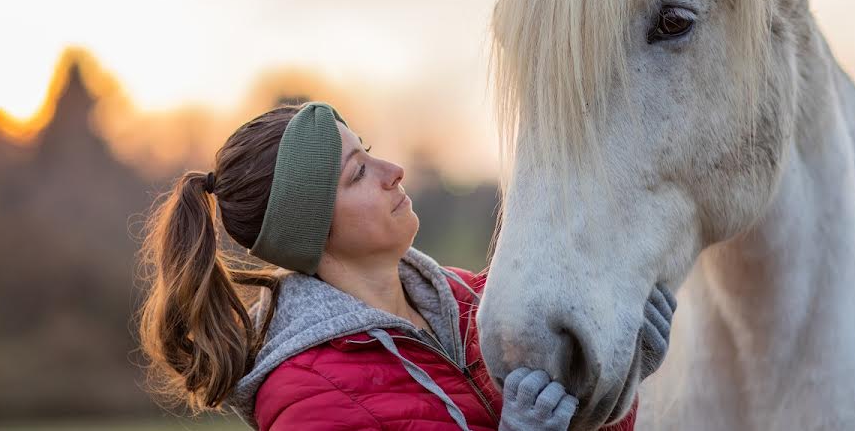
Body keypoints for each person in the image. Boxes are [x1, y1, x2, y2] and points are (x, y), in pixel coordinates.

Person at [137, 102, 676, 430]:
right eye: (357, 174)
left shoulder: (479, 302)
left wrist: (622, 372)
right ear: (313, 229)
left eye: (370, 152)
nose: (392, 171)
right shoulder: (310, 401)